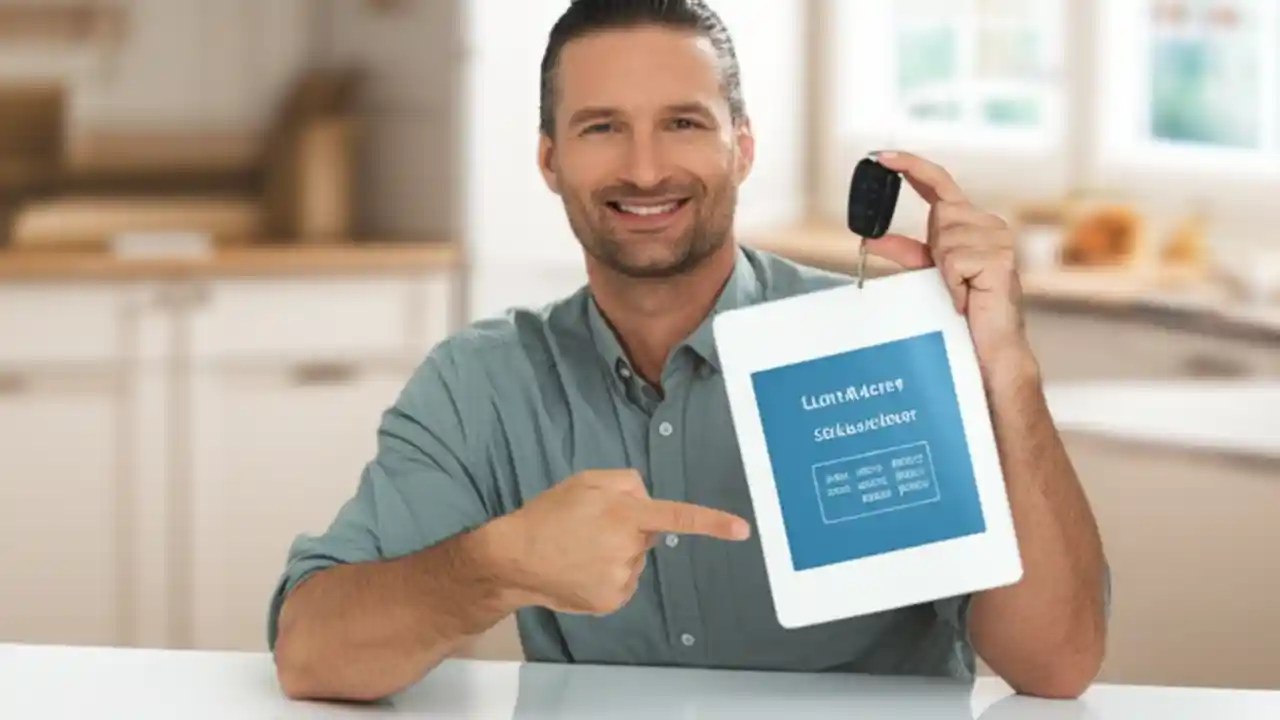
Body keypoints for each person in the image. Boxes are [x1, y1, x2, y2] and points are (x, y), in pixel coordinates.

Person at [270, 0, 1109, 703]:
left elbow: (1057, 664)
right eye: (603, 127)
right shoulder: (483, 382)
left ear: (740, 148)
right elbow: (313, 651)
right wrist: (496, 567)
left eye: (682, 123)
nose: (644, 169)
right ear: (550, 160)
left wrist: (1008, 367)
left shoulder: (877, 343)